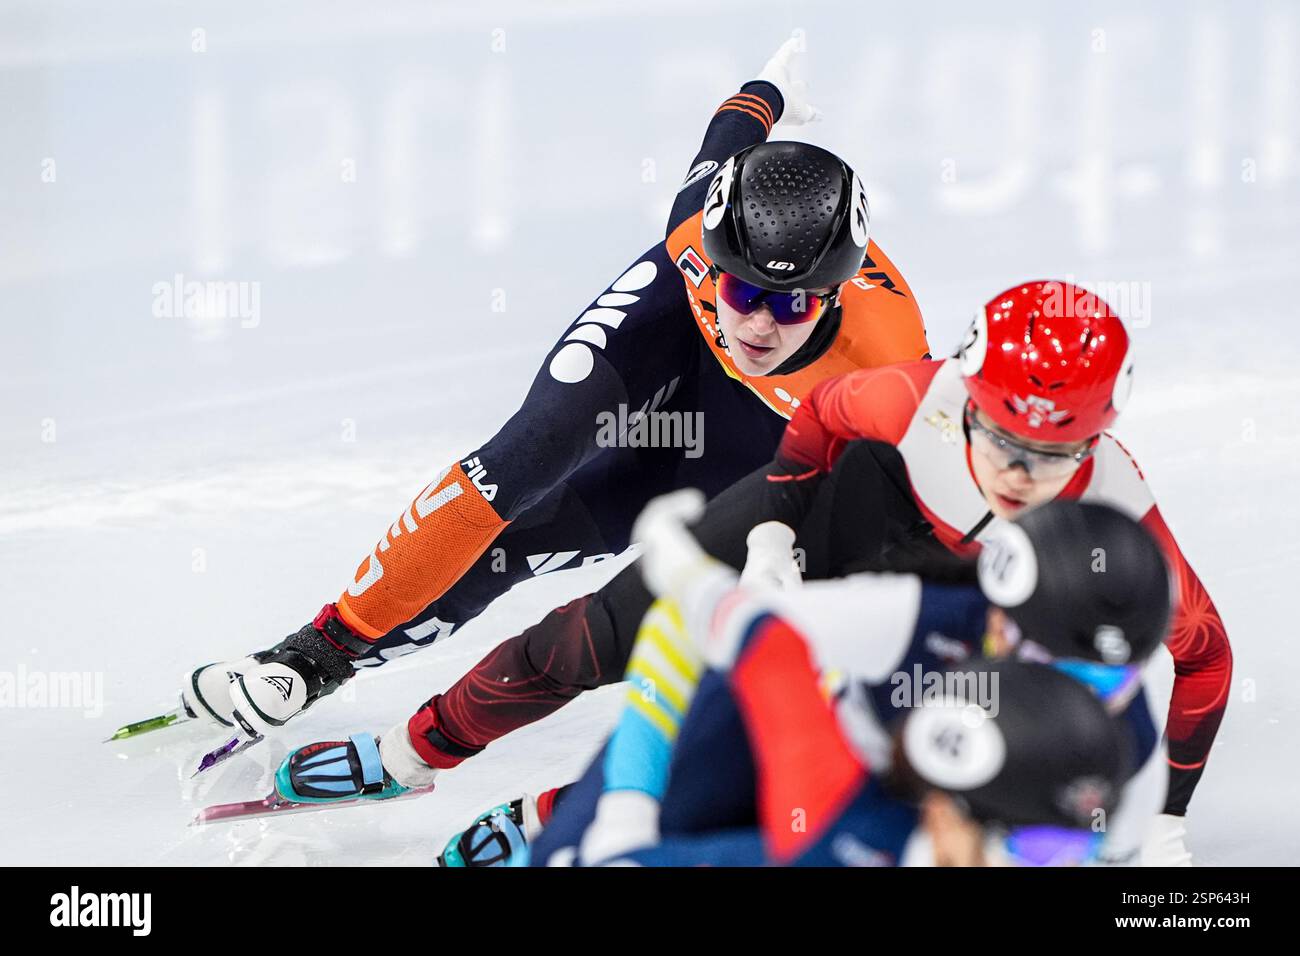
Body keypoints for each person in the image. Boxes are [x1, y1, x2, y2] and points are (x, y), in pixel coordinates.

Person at [293, 278, 1225, 866]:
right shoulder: (910, 398)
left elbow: (1206, 661)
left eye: (1052, 454)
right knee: (581, 641)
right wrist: (776, 529)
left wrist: (1171, 820)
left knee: (774, 752)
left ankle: (550, 813)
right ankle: (411, 753)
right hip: (823, 520)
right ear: (965, 395)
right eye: (999, 437)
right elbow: (820, 416)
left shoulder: (1119, 519)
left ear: (1100, 440)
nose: (1020, 474)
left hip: (938, 614)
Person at [176, 41, 930, 735]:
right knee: (522, 461)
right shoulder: (694, 229)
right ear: (713, 260)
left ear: (833, 296)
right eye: (743, 292)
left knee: (530, 546)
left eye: (792, 303)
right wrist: (767, 88)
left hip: (753, 436)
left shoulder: (888, 361)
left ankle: (321, 665)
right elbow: (729, 135)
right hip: (669, 331)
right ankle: (307, 657)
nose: (761, 325)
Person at [444, 493, 1170, 866]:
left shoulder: (1122, 758)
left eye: (1057, 850)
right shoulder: (849, 827)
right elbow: (767, 645)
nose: (1082, 690)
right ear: (998, 620)